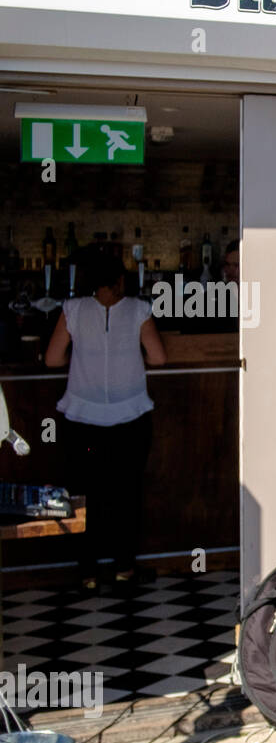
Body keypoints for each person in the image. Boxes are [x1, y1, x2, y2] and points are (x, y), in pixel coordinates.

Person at [44, 252, 166, 591]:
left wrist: (82, 354)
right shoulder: (139, 310)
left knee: (85, 494)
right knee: (126, 494)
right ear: (119, 281)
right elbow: (158, 356)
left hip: (82, 417)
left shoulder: (73, 309)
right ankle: (124, 567)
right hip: (130, 417)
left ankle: (87, 573)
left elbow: (53, 359)